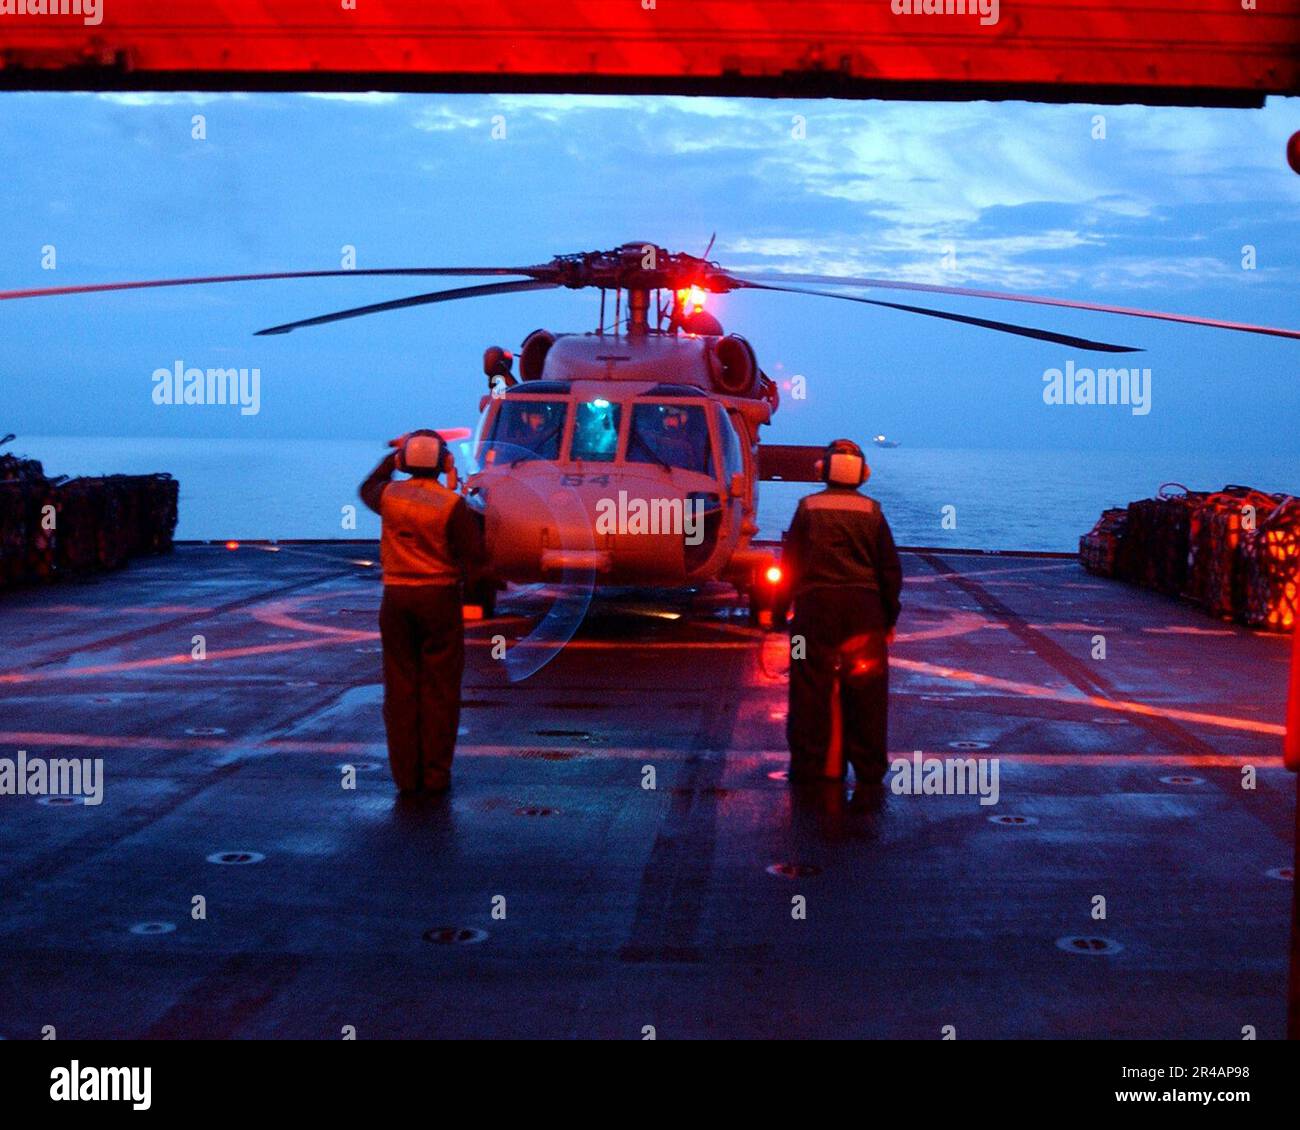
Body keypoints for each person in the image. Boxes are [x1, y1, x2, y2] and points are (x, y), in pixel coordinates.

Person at [360, 430, 484, 795]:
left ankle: (406, 778)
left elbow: (368, 486)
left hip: (396, 599)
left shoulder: (389, 496)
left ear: (404, 463)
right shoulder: (451, 505)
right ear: (444, 462)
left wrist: (391, 461)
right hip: (439, 599)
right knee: (440, 690)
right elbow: (474, 558)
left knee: (400, 690)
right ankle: (435, 775)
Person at [780, 438, 903, 787]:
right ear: (863, 473)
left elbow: (790, 564)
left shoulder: (807, 508)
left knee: (807, 686)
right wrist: (888, 618)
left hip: (813, 612)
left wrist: (778, 613)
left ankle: (807, 766)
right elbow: (890, 571)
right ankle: (869, 769)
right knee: (868, 692)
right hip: (864, 614)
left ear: (823, 470)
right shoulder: (873, 511)